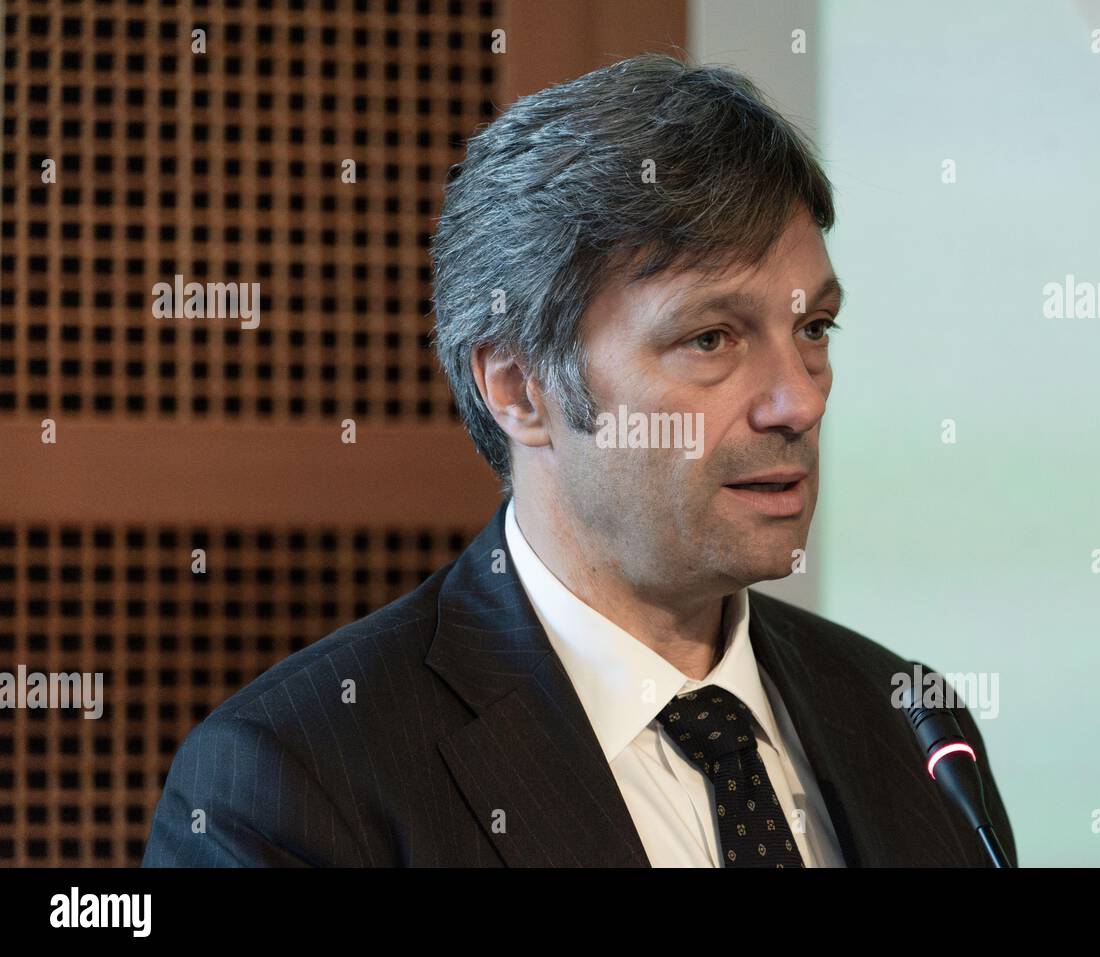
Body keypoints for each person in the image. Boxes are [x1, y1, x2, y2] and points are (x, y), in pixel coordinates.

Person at [142, 53, 1016, 868]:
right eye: (711, 338)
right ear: (520, 389)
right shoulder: (293, 782)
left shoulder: (909, 718)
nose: (801, 400)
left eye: (813, 330)